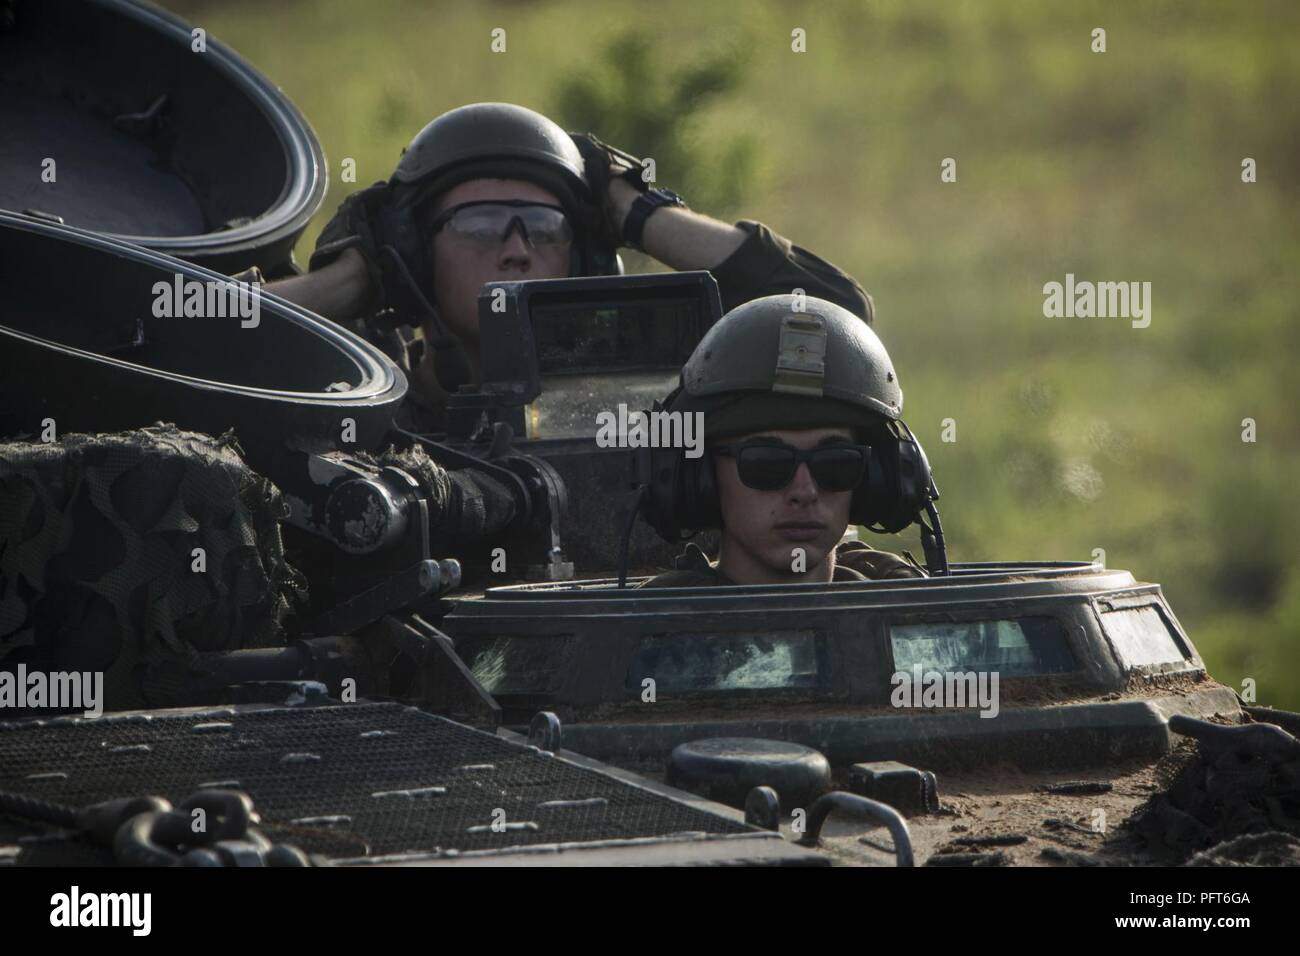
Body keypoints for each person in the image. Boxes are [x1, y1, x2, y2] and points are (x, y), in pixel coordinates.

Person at [259, 102, 871, 433]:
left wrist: (631, 209)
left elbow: (834, 320)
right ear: (415, 254)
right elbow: (187, 357)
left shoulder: (649, 408)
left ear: (581, 257)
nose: (517, 248)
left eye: (547, 227)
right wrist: (353, 278)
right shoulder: (361, 406)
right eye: (479, 226)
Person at [638, 294, 932, 587]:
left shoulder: (919, 620)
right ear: (701, 479)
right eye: (766, 464)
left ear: (874, 480)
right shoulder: (643, 628)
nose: (804, 492)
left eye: (836, 463)